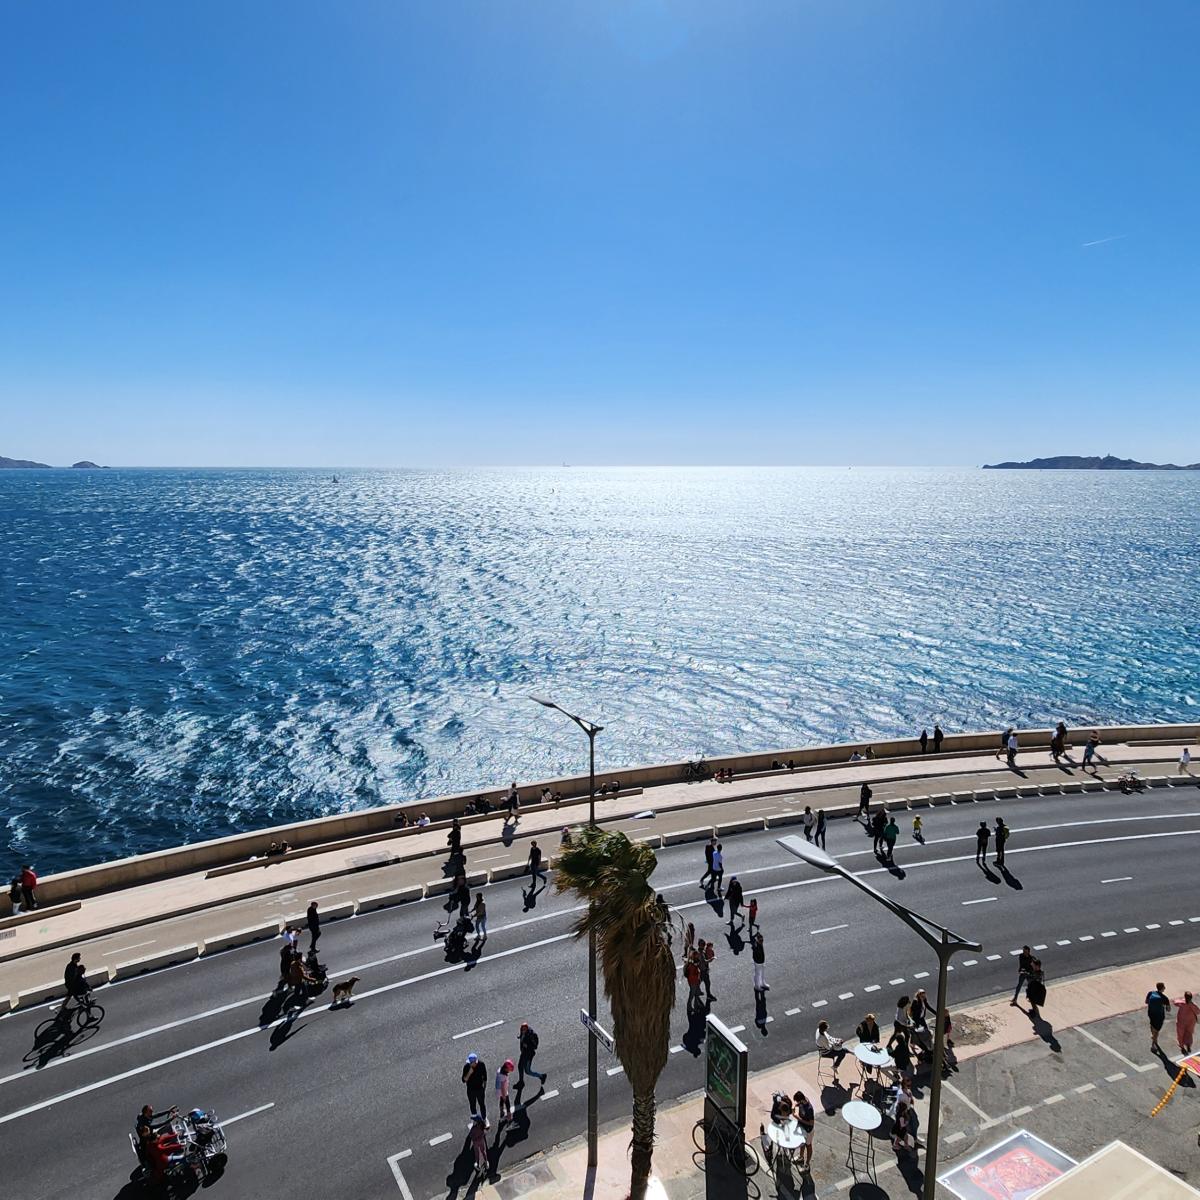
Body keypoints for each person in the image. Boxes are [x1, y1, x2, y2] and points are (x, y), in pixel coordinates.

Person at [517, 1022, 546, 1087]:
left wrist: (527, 1046)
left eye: (524, 1030)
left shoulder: (532, 1035)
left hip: (528, 1055)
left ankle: (541, 1076)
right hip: (524, 1053)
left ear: (527, 1029)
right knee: (520, 1067)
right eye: (522, 1029)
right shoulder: (523, 1032)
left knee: (528, 1071)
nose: (523, 1031)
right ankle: (521, 1082)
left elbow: (535, 1046)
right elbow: (522, 1038)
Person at [1146, 982, 1172, 1050]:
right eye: (1164, 987)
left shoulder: (1151, 993)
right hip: (1159, 1016)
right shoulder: (1165, 998)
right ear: (1162, 988)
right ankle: (1153, 1044)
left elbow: (1146, 1002)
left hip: (1151, 1013)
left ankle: (1153, 1035)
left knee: (1152, 1024)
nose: (1165, 988)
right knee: (1157, 1031)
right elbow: (1168, 1009)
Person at [793, 1091, 815, 1171]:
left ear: (801, 1100)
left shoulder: (809, 1108)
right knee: (802, 1143)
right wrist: (795, 1106)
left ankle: (807, 1164)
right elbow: (798, 1104)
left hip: (808, 1130)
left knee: (808, 1145)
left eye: (797, 1101)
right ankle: (801, 1157)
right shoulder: (803, 1101)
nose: (797, 1103)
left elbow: (811, 1123)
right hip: (802, 1127)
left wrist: (798, 1118)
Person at [463, 1052, 488, 1118]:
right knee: (472, 1105)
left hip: (480, 1088)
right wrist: (469, 1073)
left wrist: (484, 1088)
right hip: (471, 1090)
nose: (471, 1064)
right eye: (470, 1063)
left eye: (472, 1063)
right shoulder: (466, 1067)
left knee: (482, 1104)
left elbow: (485, 1077)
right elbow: (463, 1080)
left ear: (476, 1062)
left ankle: (484, 1118)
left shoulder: (481, 1064)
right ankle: (475, 1119)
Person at [496, 1059, 514, 1123]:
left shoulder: (499, 1070)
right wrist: (504, 1096)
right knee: (508, 1105)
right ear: (506, 1068)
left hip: (498, 1090)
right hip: (503, 1092)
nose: (509, 1071)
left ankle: (501, 1114)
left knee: (501, 1101)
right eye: (509, 1069)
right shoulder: (503, 1076)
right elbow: (503, 1087)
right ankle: (510, 1121)